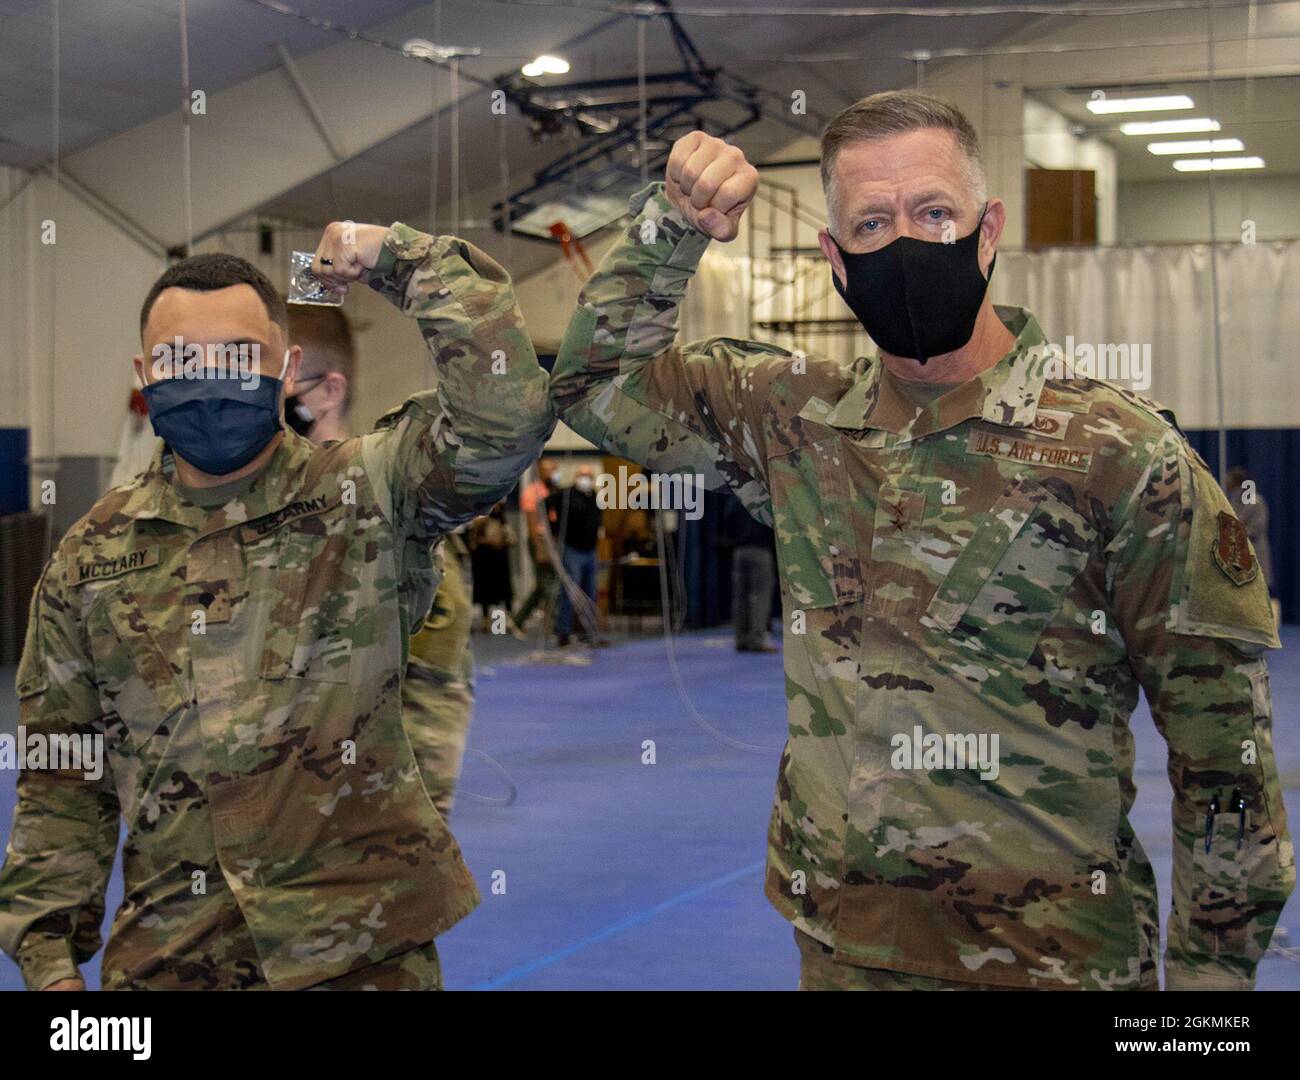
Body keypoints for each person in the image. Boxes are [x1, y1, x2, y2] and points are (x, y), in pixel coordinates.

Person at [551, 90, 1292, 991]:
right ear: (834, 258)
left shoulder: (1120, 454)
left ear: (987, 232)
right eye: (871, 222)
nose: (905, 242)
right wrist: (676, 225)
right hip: (843, 951)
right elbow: (593, 384)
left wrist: (1208, 998)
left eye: (933, 212)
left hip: (1053, 963)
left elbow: (1226, 758)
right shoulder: (794, 417)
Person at [0, 220, 552, 991]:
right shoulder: (89, 558)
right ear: (143, 372)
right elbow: (64, 776)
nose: (207, 378)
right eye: (179, 360)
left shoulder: (368, 495)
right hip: (169, 961)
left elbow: (506, 417)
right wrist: (50, 961)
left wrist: (401, 260)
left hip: (361, 955)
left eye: (235, 357)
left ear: (286, 367)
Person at [285, 303, 477, 820]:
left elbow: (433, 700)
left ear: (327, 391)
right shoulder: (268, 506)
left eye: (272, 387)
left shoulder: (391, 507)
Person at [549, 464, 603, 647]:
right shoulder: (566, 495)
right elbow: (546, 503)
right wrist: (554, 530)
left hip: (590, 550)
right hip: (572, 549)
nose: (585, 479)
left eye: (588, 476)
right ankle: (563, 631)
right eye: (582, 475)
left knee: (591, 592)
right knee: (570, 593)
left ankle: (589, 631)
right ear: (576, 477)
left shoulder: (594, 496)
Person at [719, 495, 777, 653]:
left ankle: (740, 638)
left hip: (739, 551)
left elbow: (726, 526)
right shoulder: (764, 499)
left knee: (739, 597)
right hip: (760, 550)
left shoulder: (734, 500)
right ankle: (756, 639)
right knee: (760, 595)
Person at [1227, 467, 1281, 629]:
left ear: (1237, 483)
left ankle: (1272, 626)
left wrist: (1235, 532)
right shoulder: (1233, 502)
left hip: (1255, 551)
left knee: (1265, 589)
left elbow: (1257, 527)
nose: (1226, 483)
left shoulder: (1256, 501)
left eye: (1229, 480)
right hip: (1238, 554)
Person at [512, 457, 559, 631]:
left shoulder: (552, 491)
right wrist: (539, 548)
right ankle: (555, 623)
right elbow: (532, 523)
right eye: (550, 469)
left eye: (555, 469)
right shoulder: (533, 492)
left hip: (552, 540)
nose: (554, 473)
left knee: (543, 585)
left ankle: (518, 619)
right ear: (541, 471)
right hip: (539, 540)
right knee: (549, 585)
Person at [468, 503, 519, 633]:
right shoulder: (480, 518)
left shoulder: (502, 519)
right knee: (486, 592)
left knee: (503, 591)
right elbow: (473, 539)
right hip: (484, 559)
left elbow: (511, 537)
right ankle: (487, 622)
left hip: (499, 558)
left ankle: (503, 624)